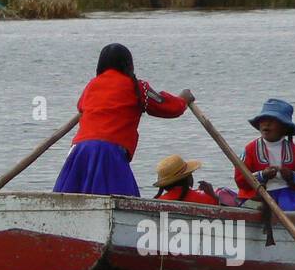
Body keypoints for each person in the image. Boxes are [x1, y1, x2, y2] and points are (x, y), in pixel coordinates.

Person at [53, 43, 193, 196]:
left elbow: (81, 107)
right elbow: (168, 107)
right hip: (109, 152)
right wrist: (183, 100)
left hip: (79, 150)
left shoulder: (91, 85)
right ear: (129, 65)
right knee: (122, 199)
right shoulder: (137, 88)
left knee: (69, 198)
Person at [234, 98, 295, 211]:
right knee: (256, 208)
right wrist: (262, 175)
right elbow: (240, 179)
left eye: (272, 121)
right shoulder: (250, 149)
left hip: (287, 194)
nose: (266, 124)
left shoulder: (294, 150)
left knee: (289, 208)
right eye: (263, 120)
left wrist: (291, 175)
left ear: (284, 127)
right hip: (258, 194)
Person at [152, 155, 219, 205]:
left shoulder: (158, 203)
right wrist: (213, 195)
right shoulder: (207, 199)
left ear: (164, 185)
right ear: (188, 178)